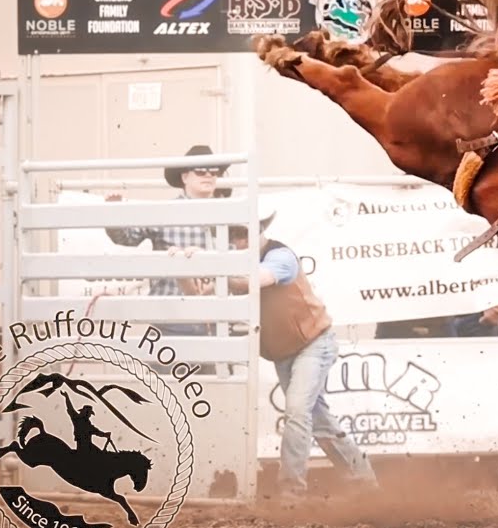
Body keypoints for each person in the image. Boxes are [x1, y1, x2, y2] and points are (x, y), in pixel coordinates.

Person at [176, 205, 378, 501]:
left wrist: (210, 264)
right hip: (288, 350)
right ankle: (364, 481)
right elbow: (198, 294)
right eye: (233, 234)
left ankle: (291, 493)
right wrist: (189, 266)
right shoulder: (234, 265)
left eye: (243, 232)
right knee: (316, 418)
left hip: (312, 343)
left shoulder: (279, 255)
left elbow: (254, 280)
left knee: (297, 411)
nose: (239, 239)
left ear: (259, 231)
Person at [105, 144, 228, 337]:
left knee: (210, 365)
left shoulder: (228, 213)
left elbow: (238, 258)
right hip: (171, 317)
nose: (208, 175)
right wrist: (113, 213)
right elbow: (127, 238)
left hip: (213, 317)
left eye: (214, 171)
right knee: (170, 365)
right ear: (185, 176)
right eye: (201, 170)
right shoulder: (164, 211)